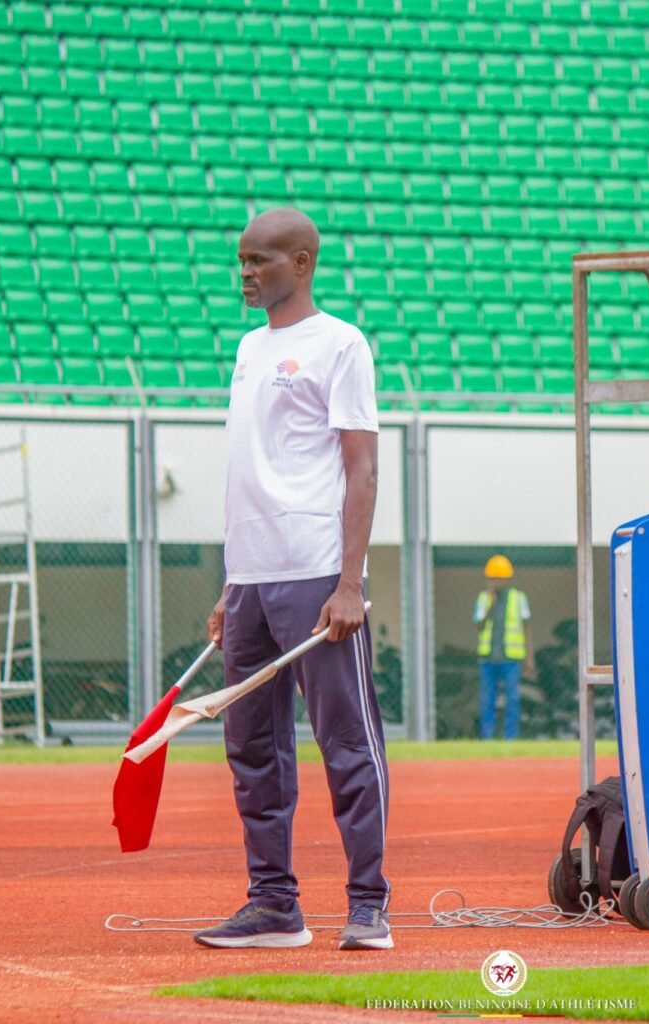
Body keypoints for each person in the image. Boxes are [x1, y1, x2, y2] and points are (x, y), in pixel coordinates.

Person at [193, 208, 392, 952]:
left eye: (261, 261)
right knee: (252, 748)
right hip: (251, 581)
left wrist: (351, 582)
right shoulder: (248, 348)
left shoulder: (341, 344)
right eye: (241, 261)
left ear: (302, 262)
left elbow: (361, 467)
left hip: (316, 575)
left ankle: (369, 904)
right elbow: (251, 469)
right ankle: (274, 905)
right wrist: (230, 583)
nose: (246, 273)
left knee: (346, 742)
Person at [473, 554, 534, 739]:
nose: (495, 582)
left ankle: (511, 738)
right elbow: (479, 626)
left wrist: (529, 658)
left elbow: (527, 628)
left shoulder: (519, 598)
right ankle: (487, 738)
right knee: (487, 701)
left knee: (512, 700)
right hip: (488, 659)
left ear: (507, 579)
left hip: (510, 659)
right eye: (492, 578)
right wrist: (491, 602)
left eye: (499, 578)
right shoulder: (483, 599)